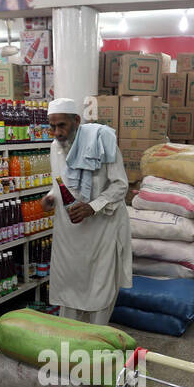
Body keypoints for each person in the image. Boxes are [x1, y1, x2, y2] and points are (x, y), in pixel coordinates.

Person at [41, 98, 132, 325]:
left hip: (102, 227)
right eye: (52, 126)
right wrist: (51, 197)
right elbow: (60, 182)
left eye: (62, 125)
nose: (57, 132)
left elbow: (120, 185)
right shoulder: (55, 147)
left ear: (77, 121)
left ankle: (96, 337)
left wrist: (92, 207)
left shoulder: (103, 143)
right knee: (70, 283)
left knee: (98, 284)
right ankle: (71, 336)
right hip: (70, 231)